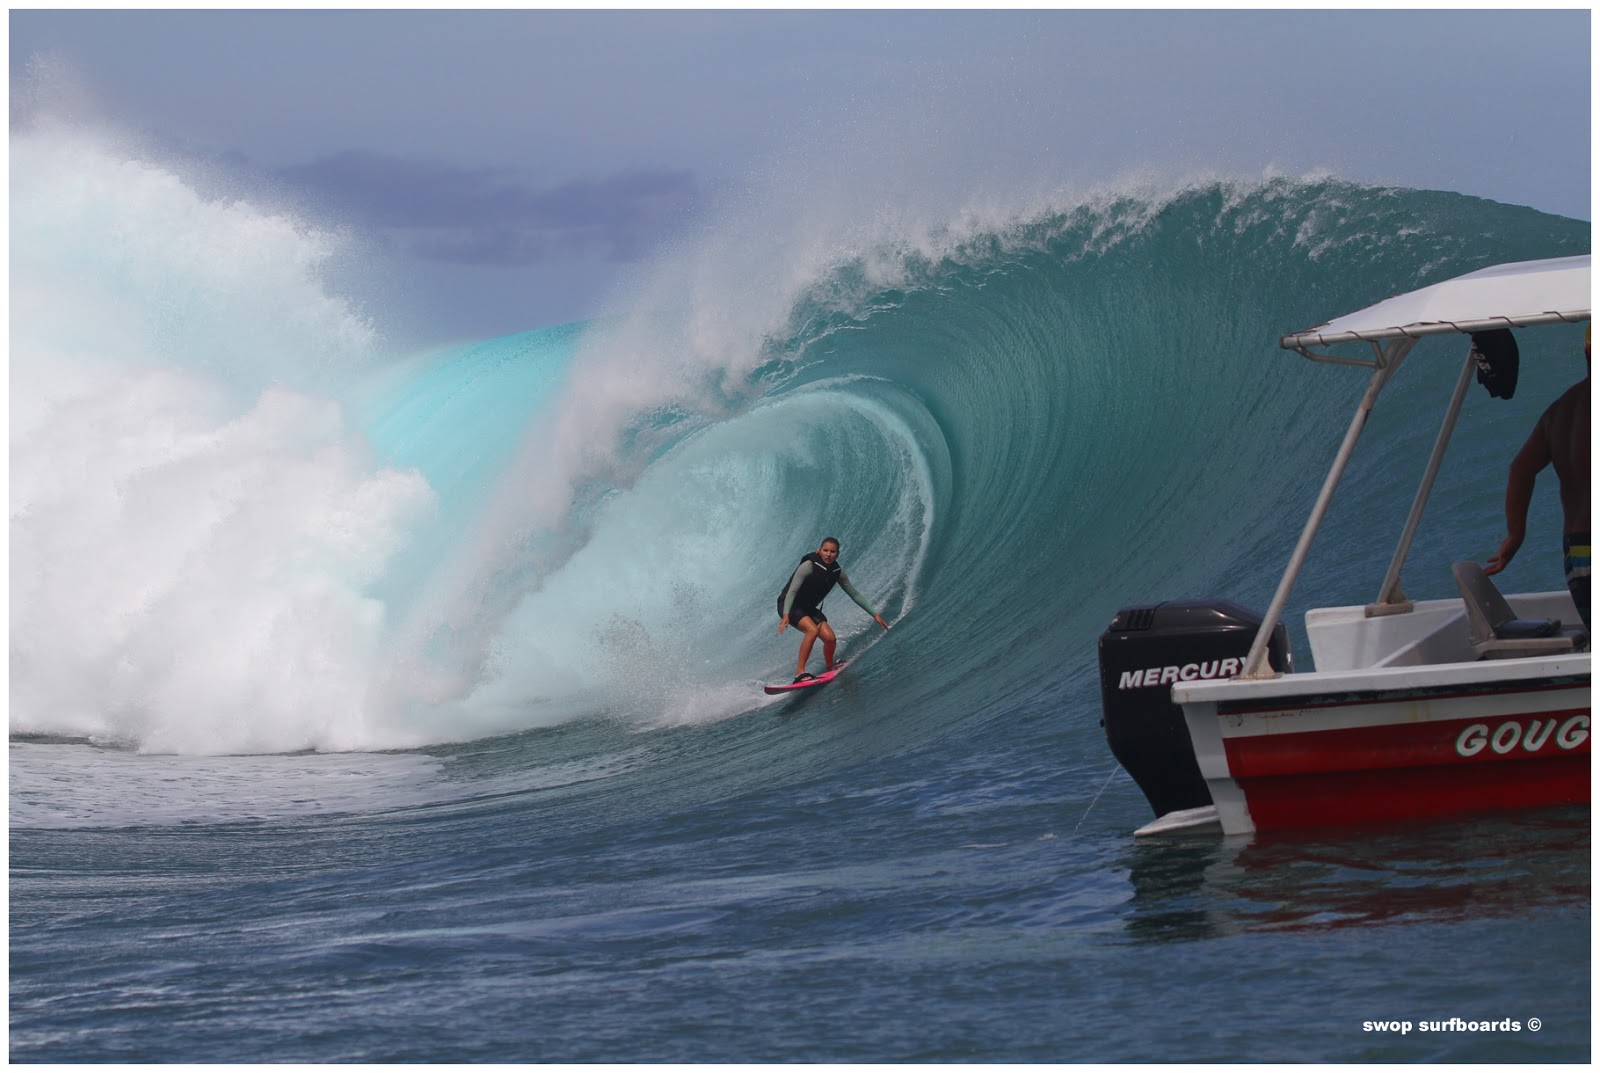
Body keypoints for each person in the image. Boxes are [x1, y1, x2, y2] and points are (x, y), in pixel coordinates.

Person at [1486, 327, 1590, 628]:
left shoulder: (1560, 410)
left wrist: (1515, 534)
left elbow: (1521, 469)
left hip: (1577, 551)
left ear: (1586, 351)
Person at [776, 537, 890, 682]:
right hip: (789, 604)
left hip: (808, 608)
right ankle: (799, 674)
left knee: (830, 639)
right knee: (812, 630)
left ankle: (829, 665)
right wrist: (786, 615)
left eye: (832, 552)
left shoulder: (837, 572)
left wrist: (874, 614)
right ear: (820, 550)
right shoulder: (808, 566)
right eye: (825, 550)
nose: (828, 554)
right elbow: (792, 591)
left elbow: (854, 594)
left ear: (837, 554)